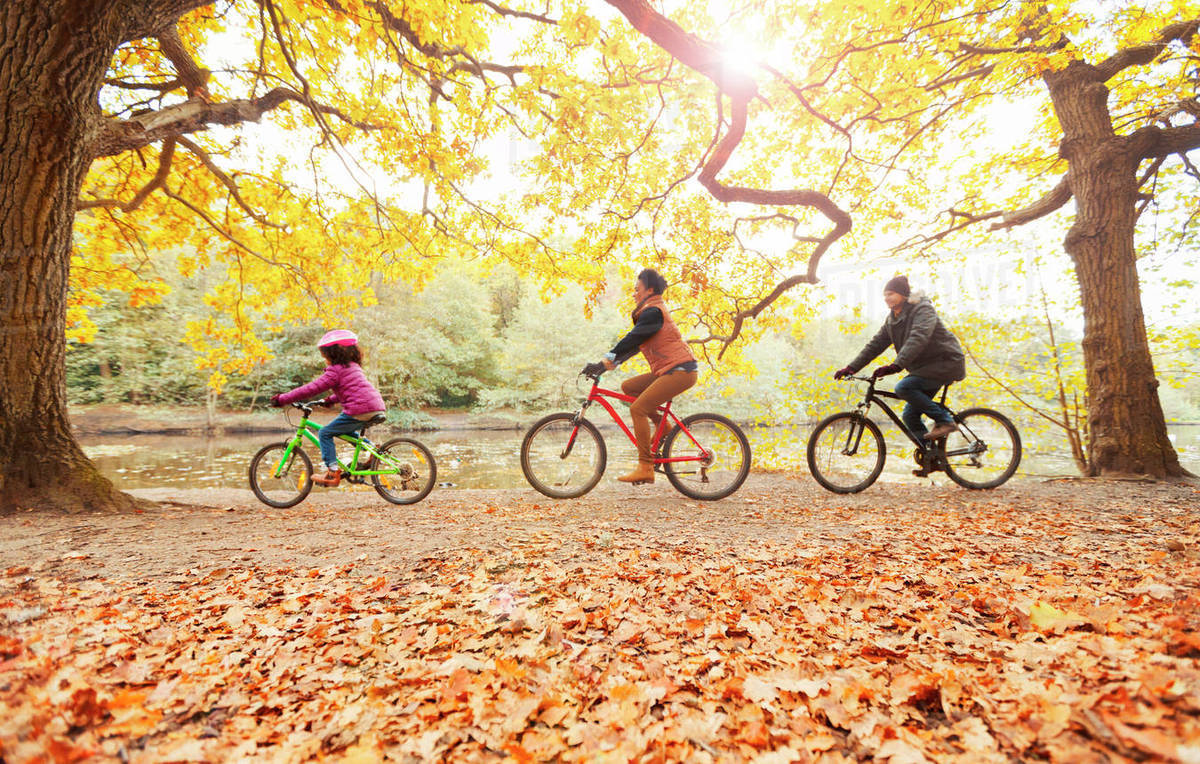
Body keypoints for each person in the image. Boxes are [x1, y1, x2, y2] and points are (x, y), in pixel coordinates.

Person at [591, 268, 698, 485]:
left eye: (636, 289)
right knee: (629, 387)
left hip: (680, 371)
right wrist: (609, 363)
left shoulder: (653, 311)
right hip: (668, 369)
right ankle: (664, 427)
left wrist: (607, 357)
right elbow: (636, 345)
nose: (634, 294)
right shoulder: (650, 313)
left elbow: (634, 336)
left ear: (649, 290)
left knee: (637, 409)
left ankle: (645, 466)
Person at [834, 275, 966, 450]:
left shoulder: (923, 310)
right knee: (910, 416)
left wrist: (896, 365)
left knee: (903, 387)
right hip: (925, 369)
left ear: (903, 295)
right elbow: (875, 345)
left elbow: (918, 338)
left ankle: (945, 421)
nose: (886, 298)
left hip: (946, 362)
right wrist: (851, 368)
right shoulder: (892, 320)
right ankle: (932, 455)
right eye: (884, 295)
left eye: (891, 293)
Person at [270, 329, 386, 488]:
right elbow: (350, 391)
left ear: (332, 354)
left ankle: (332, 471)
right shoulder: (352, 367)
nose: (324, 358)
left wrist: (282, 399)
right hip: (375, 407)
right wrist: (328, 400)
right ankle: (373, 449)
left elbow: (311, 388)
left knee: (325, 433)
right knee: (342, 431)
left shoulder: (335, 370)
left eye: (324, 355)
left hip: (360, 409)